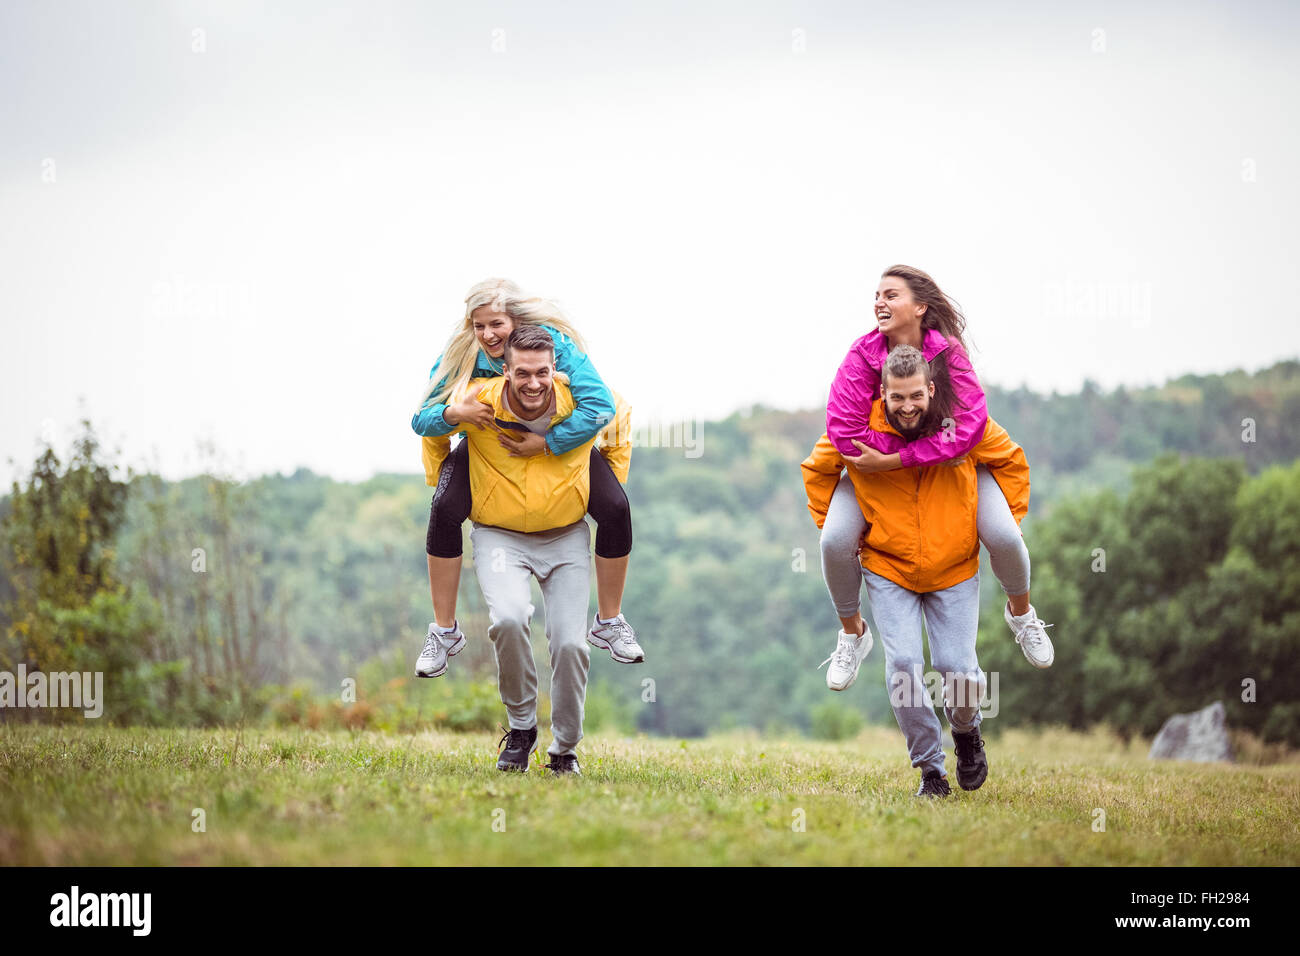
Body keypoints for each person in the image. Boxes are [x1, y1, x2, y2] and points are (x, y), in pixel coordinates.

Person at [803, 345, 1031, 797]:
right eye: (896, 398)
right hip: (889, 567)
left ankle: (967, 734)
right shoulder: (858, 430)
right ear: (882, 394)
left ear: (930, 389)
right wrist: (849, 529)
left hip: (954, 568)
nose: (906, 407)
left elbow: (1012, 462)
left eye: (915, 396)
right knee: (904, 667)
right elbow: (817, 470)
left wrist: (995, 525)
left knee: (958, 669)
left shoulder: (962, 427)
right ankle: (931, 770)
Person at [818, 265, 1052, 693]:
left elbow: (968, 428)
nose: (879, 303)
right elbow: (843, 430)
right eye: (876, 295)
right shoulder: (862, 354)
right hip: (871, 468)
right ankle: (852, 633)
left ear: (920, 306)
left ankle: (1022, 614)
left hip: (955, 462)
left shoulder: (948, 354)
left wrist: (900, 458)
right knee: (833, 542)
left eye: (891, 295)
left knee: (1003, 536)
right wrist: (887, 456)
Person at [421, 325, 632, 774]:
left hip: (566, 535)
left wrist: (611, 480)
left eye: (542, 373)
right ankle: (520, 730)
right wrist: (442, 471)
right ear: (506, 371)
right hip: (500, 535)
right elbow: (427, 419)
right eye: (522, 373)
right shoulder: (481, 400)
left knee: (572, 645)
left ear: (556, 370)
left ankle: (565, 749)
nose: (533, 383)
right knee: (509, 620)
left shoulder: (584, 405)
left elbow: (619, 421)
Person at [410, 278, 642, 680]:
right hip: (489, 444)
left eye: (496, 324)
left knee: (616, 507)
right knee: (445, 508)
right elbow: (421, 419)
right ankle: (443, 631)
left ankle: (610, 621)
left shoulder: (555, 346)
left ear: (514, 319)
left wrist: (549, 442)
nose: (488, 334)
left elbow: (601, 406)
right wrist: (455, 415)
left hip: (560, 443)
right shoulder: (461, 354)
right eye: (479, 326)